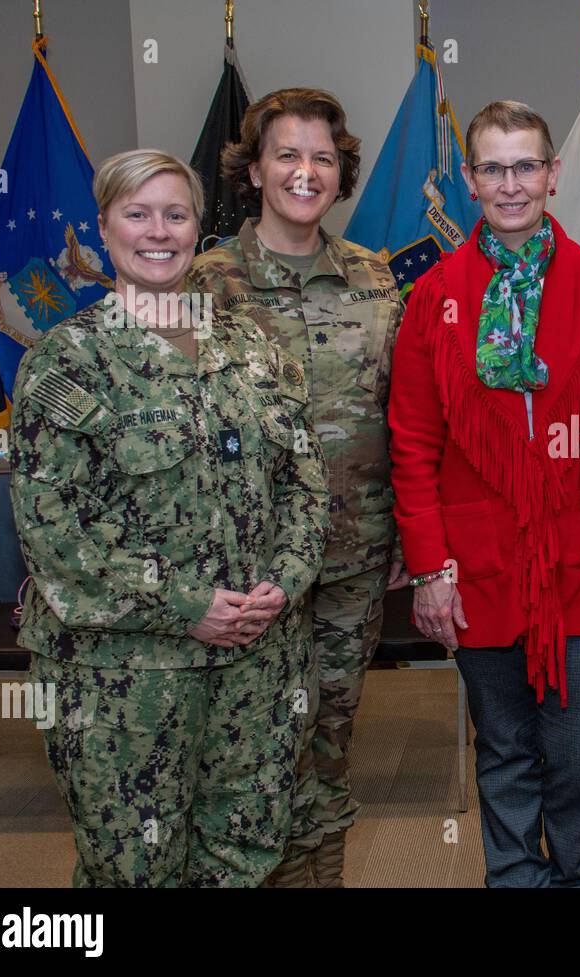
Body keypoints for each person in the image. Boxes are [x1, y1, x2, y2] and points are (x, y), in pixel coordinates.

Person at [10, 149, 329, 887]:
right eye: (138, 213)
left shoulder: (252, 349)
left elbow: (305, 486)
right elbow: (56, 536)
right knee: (133, 869)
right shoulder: (67, 362)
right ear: (104, 229)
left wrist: (283, 581)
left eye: (176, 214)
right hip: (127, 682)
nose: (159, 231)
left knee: (243, 857)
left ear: (197, 228)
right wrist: (186, 606)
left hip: (256, 665)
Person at [389, 101, 580, 887]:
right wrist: (429, 567)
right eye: (493, 167)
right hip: (476, 568)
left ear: (554, 175)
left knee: (579, 752)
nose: (511, 184)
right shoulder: (434, 296)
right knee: (505, 752)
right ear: (470, 179)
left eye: (527, 165)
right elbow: (414, 445)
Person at [188, 88, 403, 887]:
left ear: (339, 171)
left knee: (329, 743)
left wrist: (407, 534)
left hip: (352, 559)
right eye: (287, 154)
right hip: (249, 574)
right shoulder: (205, 284)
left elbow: (401, 413)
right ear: (254, 170)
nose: (305, 172)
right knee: (250, 753)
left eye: (321, 157)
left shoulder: (375, 280)